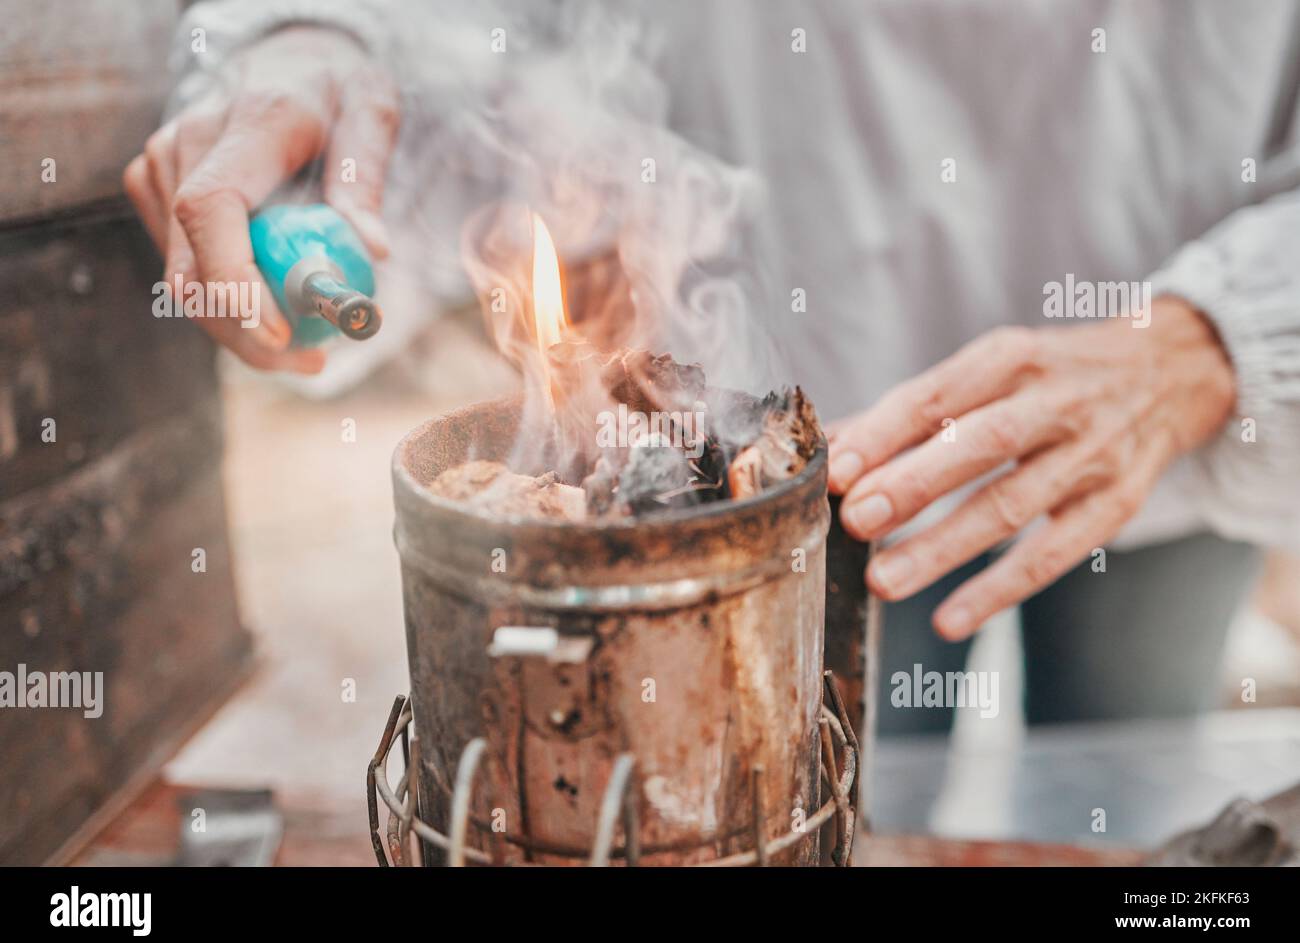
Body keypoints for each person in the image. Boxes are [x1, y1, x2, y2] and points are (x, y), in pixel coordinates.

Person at [126, 0, 1300, 732]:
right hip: (808, 450)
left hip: (1166, 413)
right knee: (836, 772)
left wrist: (1217, 339)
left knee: (1127, 785)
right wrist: (310, 34)